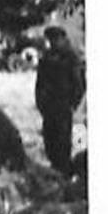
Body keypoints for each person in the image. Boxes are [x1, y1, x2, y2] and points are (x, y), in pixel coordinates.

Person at [35, 27, 86, 175]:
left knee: (64, 141)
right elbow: (40, 83)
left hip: (64, 106)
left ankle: (65, 170)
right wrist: (41, 103)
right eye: (50, 39)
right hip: (49, 107)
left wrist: (75, 105)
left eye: (55, 39)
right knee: (50, 140)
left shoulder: (71, 58)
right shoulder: (46, 58)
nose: (52, 43)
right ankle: (55, 167)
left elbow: (78, 84)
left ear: (63, 38)